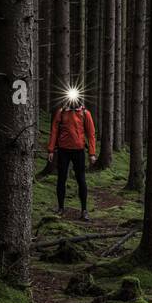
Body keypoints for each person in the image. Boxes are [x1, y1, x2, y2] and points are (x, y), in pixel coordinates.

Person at [46, 93, 96, 221]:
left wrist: (92, 153)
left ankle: (84, 210)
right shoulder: (61, 112)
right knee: (61, 179)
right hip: (63, 151)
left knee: (81, 180)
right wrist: (51, 150)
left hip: (79, 151)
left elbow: (91, 134)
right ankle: (61, 208)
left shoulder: (85, 113)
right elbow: (54, 131)